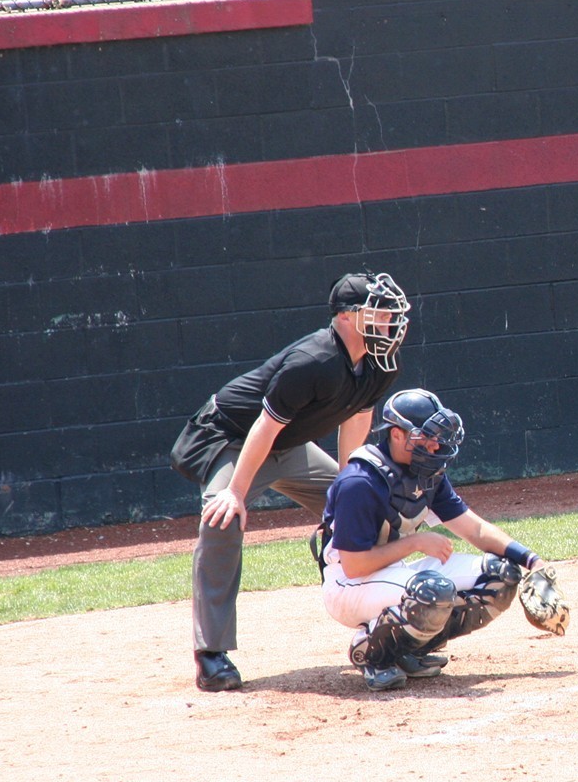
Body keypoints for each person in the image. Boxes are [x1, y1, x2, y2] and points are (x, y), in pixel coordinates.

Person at [170, 272, 410, 691]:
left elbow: (356, 420)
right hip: (231, 438)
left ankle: (390, 630)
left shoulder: (379, 363)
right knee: (222, 518)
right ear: (348, 318)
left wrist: (351, 487)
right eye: (379, 312)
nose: (390, 321)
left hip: (291, 444)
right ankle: (211, 654)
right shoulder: (314, 361)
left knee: (372, 510)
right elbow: (263, 426)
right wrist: (236, 492)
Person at [315, 388, 550, 691]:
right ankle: (372, 652)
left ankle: (407, 649)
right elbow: (355, 565)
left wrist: (533, 560)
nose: (435, 444)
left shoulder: (426, 473)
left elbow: (474, 530)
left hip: (389, 574)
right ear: (397, 434)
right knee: (433, 592)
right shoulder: (360, 482)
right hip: (347, 585)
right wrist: (414, 543)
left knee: (500, 576)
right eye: (425, 436)